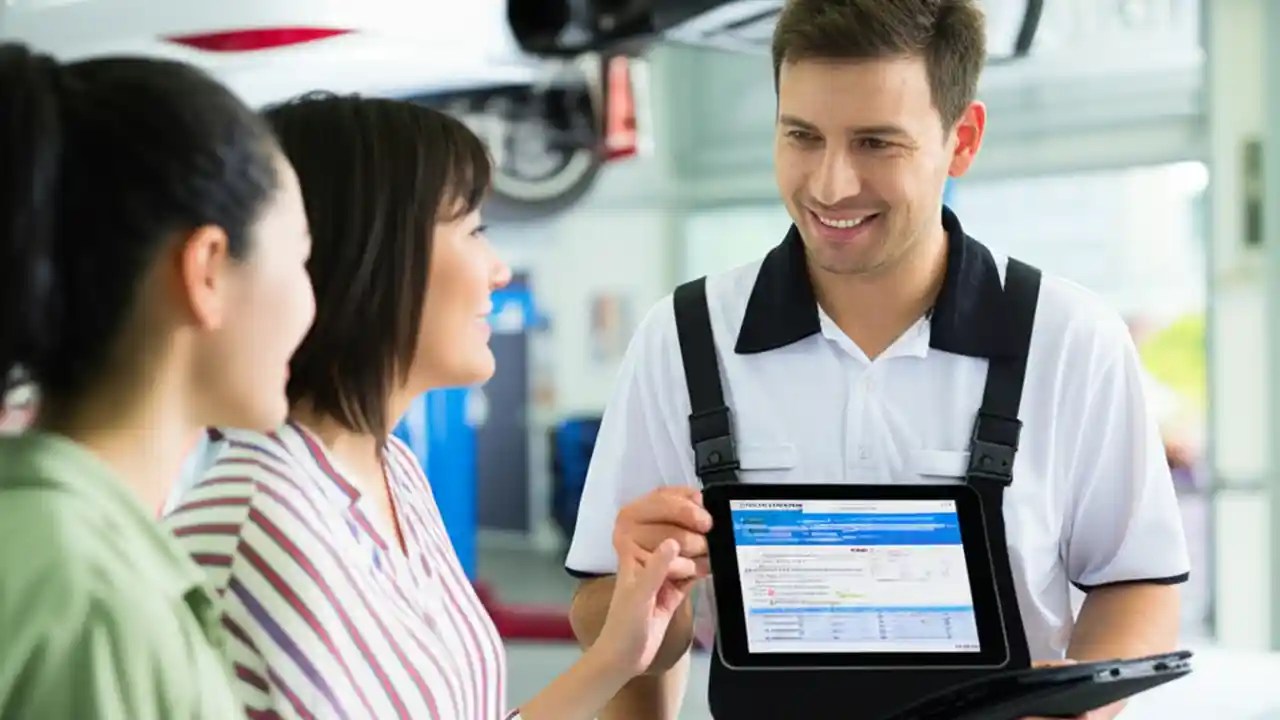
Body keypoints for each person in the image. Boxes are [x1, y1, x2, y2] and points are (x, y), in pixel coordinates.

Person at [564, 1, 1190, 719]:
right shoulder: (682, 337)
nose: (831, 185)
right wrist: (646, 592)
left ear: (962, 141)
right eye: (802, 135)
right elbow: (608, 618)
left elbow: (1135, 579)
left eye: (876, 143)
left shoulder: (1072, 339)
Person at [163, 93, 692, 720]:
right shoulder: (249, 526)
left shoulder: (397, 475)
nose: (498, 271)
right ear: (376, 254)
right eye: (474, 231)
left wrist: (616, 657)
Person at [0, 43, 316, 717]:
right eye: (300, 257)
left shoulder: (44, 537)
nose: (313, 304)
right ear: (206, 270)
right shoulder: (93, 596)